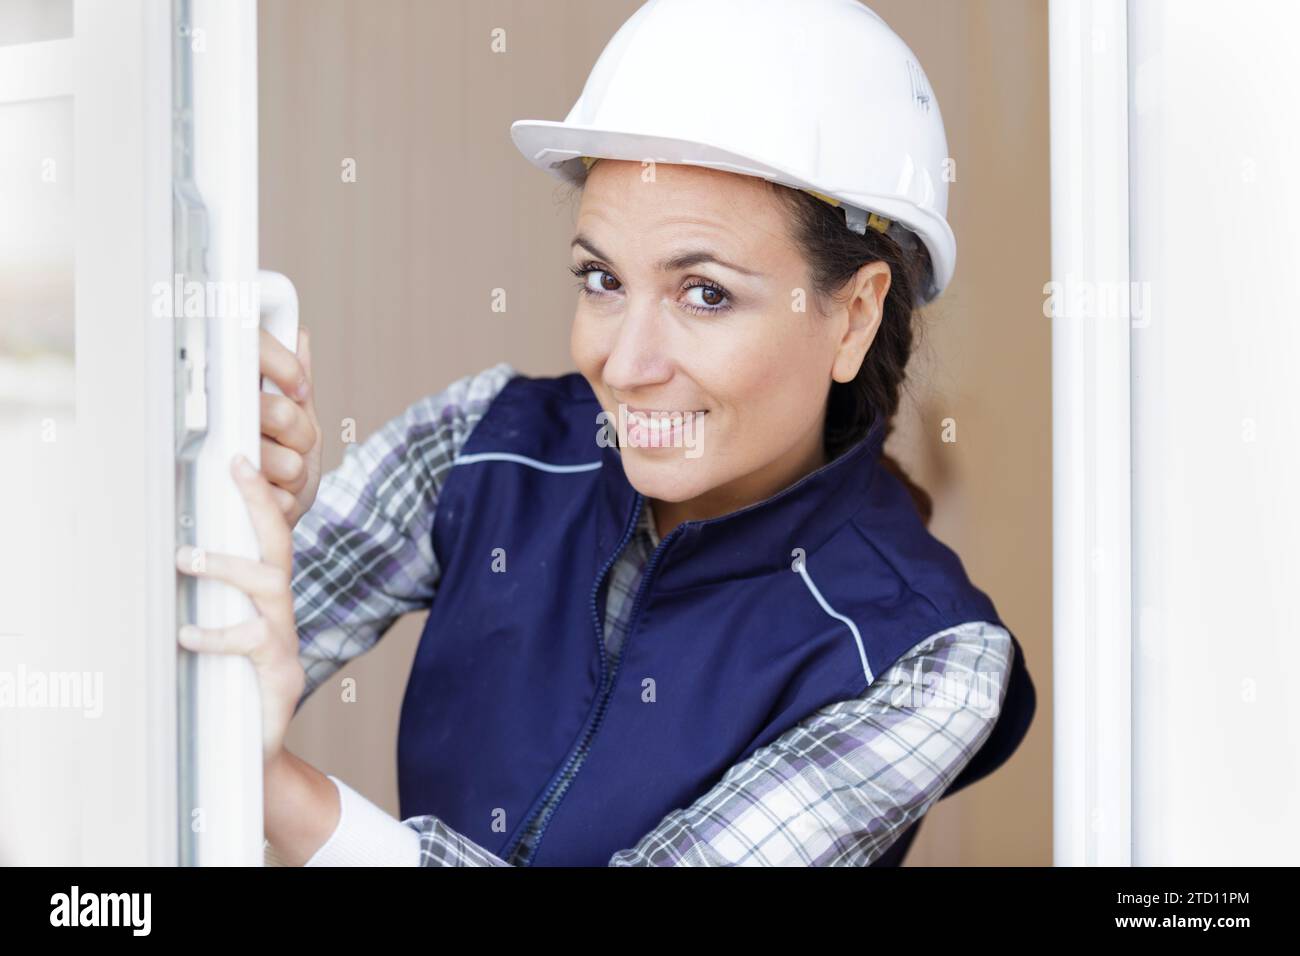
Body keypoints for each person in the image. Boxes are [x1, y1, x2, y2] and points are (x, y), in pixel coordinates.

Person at [175, 0, 1035, 866]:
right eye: (601, 279)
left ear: (852, 317)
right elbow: (166, 688)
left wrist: (282, 792)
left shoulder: (927, 664)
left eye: (705, 293)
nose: (624, 365)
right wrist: (237, 516)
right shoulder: (481, 445)